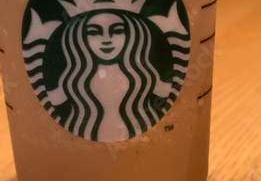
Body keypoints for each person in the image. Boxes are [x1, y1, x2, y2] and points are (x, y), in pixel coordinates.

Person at [44, 9, 174, 141]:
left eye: (117, 31)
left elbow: (167, 92)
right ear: (81, 38)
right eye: (94, 32)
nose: (106, 39)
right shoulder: (73, 80)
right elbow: (53, 101)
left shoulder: (145, 76)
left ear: (131, 35)